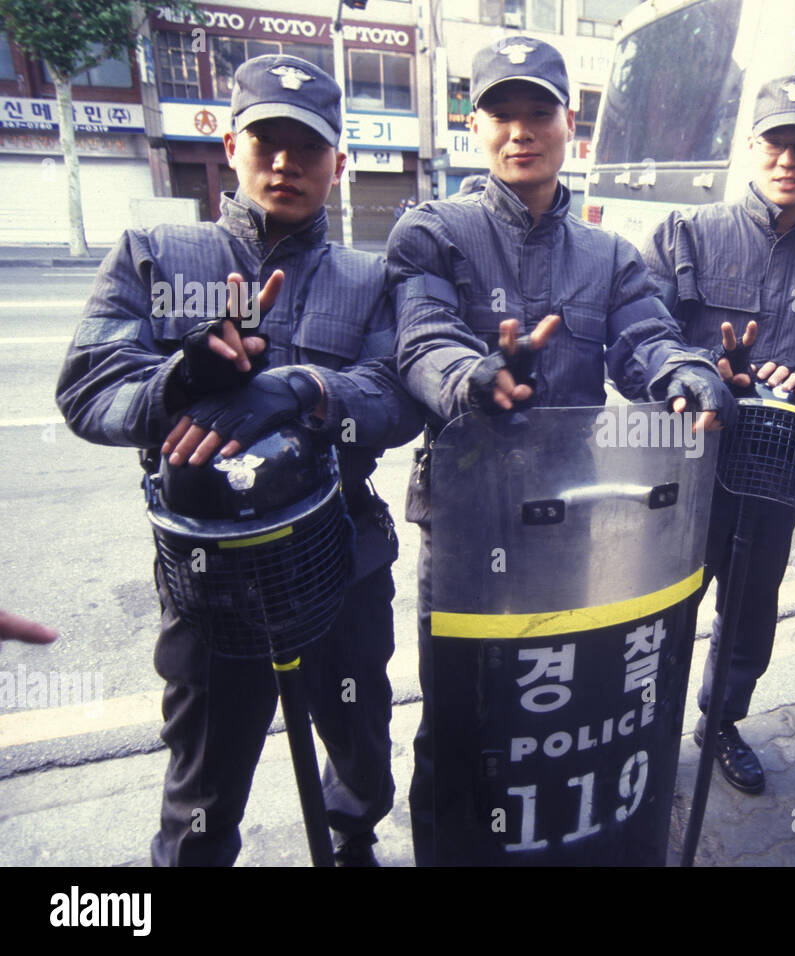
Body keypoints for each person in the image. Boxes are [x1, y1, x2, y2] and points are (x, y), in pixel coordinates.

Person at [55, 54, 424, 866]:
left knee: (360, 742)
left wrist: (305, 389)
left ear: (340, 161)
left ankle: (352, 841)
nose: (285, 162)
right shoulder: (156, 254)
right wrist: (178, 380)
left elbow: (396, 400)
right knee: (202, 791)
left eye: (308, 145)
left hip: (345, 563)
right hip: (204, 576)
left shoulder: (372, 279)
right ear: (231, 144)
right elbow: (89, 387)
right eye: (267, 140)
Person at [385, 35, 732, 865]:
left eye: (537, 111)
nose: (519, 130)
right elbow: (420, 340)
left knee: (561, 707)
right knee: (460, 718)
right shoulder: (432, 231)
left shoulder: (610, 255)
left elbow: (646, 340)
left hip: (573, 529)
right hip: (467, 528)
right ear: (475, 126)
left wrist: (686, 375)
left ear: (568, 126)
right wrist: (476, 376)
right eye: (500, 113)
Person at [641, 74, 795, 794]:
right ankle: (646, 731)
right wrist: (696, 372)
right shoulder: (687, 234)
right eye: (777, 141)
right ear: (752, 145)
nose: (789, 159)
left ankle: (722, 724)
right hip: (682, 471)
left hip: (776, 474)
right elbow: (639, 338)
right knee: (661, 611)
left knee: (749, 614)